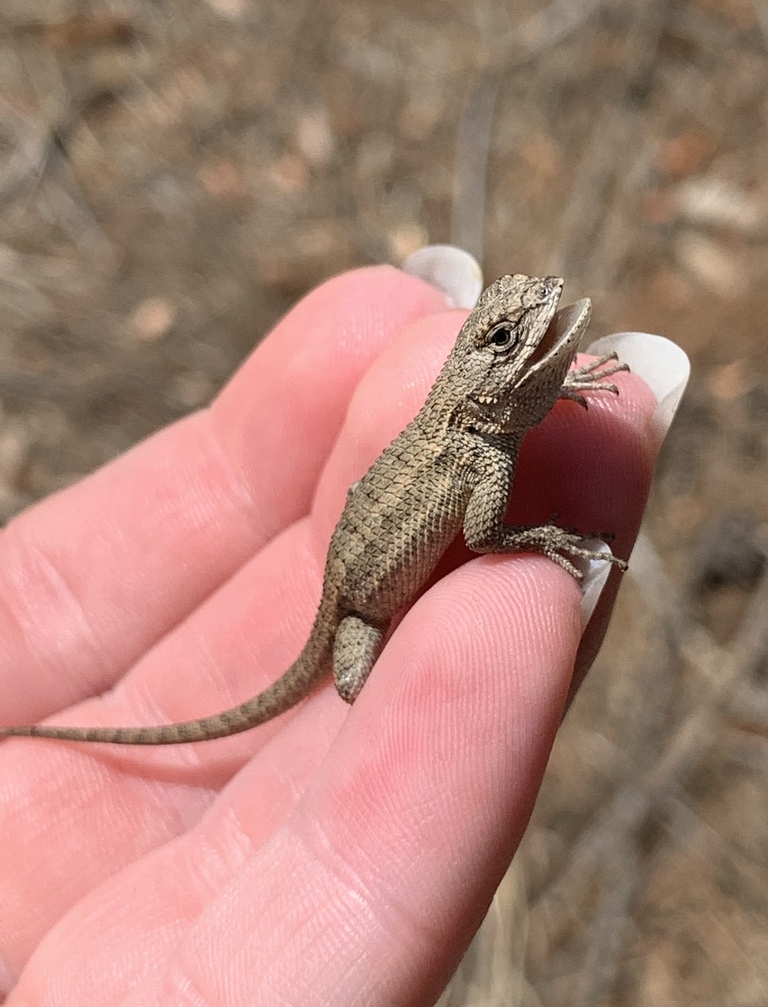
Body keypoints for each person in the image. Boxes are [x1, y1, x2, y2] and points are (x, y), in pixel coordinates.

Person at [0, 248, 686, 1004]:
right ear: (477, 378)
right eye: (499, 339)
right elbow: (488, 537)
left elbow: (513, 415)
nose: (534, 319)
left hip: (356, 547)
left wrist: (558, 380)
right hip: (359, 606)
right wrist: (546, 537)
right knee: (358, 683)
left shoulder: (485, 426)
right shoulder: (474, 453)